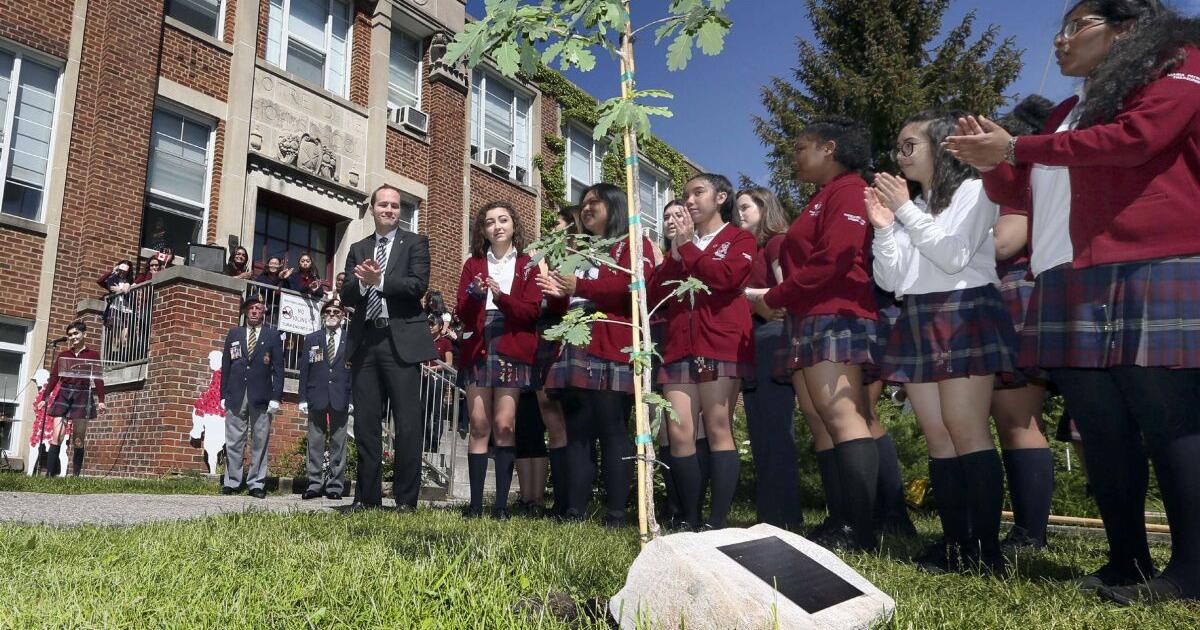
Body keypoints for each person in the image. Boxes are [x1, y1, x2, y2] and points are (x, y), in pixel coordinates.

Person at [945, 0, 1200, 603]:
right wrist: (992, 160)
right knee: (1103, 428)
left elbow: (1138, 139)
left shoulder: (1178, 64)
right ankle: (1126, 561)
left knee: (1170, 419)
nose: (1058, 41)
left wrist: (1020, 149)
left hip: (1152, 259)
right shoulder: (1067, 110)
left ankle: (1191, 570)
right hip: (1065, 273)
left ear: (1128, 25)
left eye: (1075, 26)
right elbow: (1023, 191)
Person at [867, 110, 1017, 573]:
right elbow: (892, 279)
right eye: (898, 146)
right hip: (918, 313)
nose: (900, 155)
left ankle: (985, 552)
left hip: (965, 306)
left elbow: (953, 257)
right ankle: (956, 545)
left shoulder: (976, 191)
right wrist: (884, 226)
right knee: (938, 437)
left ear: (941, 147)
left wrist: (905, 212)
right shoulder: (916, 206)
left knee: (964, 428)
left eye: (909, 145)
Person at [746, 117, 881, 551]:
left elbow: (837, 255)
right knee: (820, 420)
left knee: (842, 415)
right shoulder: (822, 197)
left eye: (802, 146)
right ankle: (839, 519)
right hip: (807, 316)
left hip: (835, 311)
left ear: (830, 147)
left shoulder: (850, 190)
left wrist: (777, 294)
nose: (795, 155)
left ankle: (860, 528)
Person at [537, 182, 654, 526]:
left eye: (594, 202)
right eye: (583, 203)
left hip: (613, 342)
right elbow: (566, 300)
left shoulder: (633, 243)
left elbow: (632, 289)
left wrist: (580, 286)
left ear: (614, 206)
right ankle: (575, 508)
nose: (586, 208)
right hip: (576, 343)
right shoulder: (579, 249)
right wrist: (557, 292)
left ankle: (616, 512)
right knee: (578, 429)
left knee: (612, 428)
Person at [651, 173, 755, 531]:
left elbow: (727, 279)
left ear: (721, 197)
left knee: (717, 427)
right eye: (686, 195)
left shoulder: (739, 238)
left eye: (698, 193)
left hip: (720, 343)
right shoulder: (681, 245)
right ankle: (689, 519)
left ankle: (717, 521)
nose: (689, 201)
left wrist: (690, 250)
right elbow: (653, 298)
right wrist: (673, 255)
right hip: (679, 347)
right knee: (679, 433)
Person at [988, 95, 1059, 554]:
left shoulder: (1023, 174)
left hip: (1017, 286)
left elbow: (1005, 241)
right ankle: (1030, 530)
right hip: (1039, 286)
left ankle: (1030, 534)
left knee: (1016, 418)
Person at [340, 184, 437, 512]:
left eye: (395, 206)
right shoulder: (358, 247)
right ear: (373, 208)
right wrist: (360, 284)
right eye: (383, 204)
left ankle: (406, 500)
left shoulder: (415, 243)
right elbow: (346, 296)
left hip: (401, 344)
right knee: (366, 424)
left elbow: (417, 286)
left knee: (407, 423)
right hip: (365, 341)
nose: (390, 210)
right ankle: (366, 499)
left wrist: (377, 281)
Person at [455, 200, 541, 519]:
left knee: (504, 424)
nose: (497, 226)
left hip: (512, 341)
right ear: (483, 230)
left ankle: (501, 506)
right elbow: (462, 312)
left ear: (514, 225)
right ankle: (476, 507)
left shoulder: (528, 264)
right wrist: (478, 294)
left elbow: (531, 311)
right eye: (490, 222)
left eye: (503, 220)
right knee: (479, 424)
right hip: (478, 341)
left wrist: (500, 296)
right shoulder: (473, 263)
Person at [735, 185, 807, 531]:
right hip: (752, 341)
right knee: (760, 431)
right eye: (737, 208)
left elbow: (788, 288)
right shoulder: (750, 251)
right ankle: (768, 516)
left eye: (746, 207)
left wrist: (744, 293)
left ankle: (785, 518)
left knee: (777, 430)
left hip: (774, 339)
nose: (740, 214)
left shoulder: (778, 242)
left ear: (765, 208)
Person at [530, 206, 577, 518]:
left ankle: (574, 500)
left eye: (557, 224)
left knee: (573, 422)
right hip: (542, 336)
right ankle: (559, 502)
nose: (551, 229)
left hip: (571, 336)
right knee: (550, 419)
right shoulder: (539, 257)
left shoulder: (580, 258)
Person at [219, 295, 284, 497]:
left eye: (258, 308)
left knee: (260, 440)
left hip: (262, 395)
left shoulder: (272, 336)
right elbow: (227, 365)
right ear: (246, 312)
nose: (254, 311)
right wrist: (223, 394)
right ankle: (232, 481)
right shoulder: (234, 334)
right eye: (251, 308)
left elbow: (278, 369)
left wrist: (276, 397)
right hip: (236, 394)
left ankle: (256, 483)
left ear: (264, 312)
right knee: (234, 440)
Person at [298, 300, 352, 501]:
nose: (331, 314)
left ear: (342, 315)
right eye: (328, 311)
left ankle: (335, 486)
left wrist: (352, 398)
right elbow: (305, 371)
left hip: (340, 397)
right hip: (316, 396)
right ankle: (314, 484)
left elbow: (355, 371)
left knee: (338, 443)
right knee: (315, 443)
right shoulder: (312, 338)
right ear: (323, 315)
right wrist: (302, 398)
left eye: (336, 311)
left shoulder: (350, 339)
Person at [36, 321, 106, 477]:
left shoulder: (92, 355)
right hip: (65, 393)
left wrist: (101, 400)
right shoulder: (63, 355)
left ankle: (75, 477)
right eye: (70, 335)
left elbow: (98, 378)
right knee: (57, 435)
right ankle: (48, 476)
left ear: (84, 334)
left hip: (83, 394)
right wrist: (45, 397)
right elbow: (54, 377)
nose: (73, 337)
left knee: (78, 439)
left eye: (76, 333)